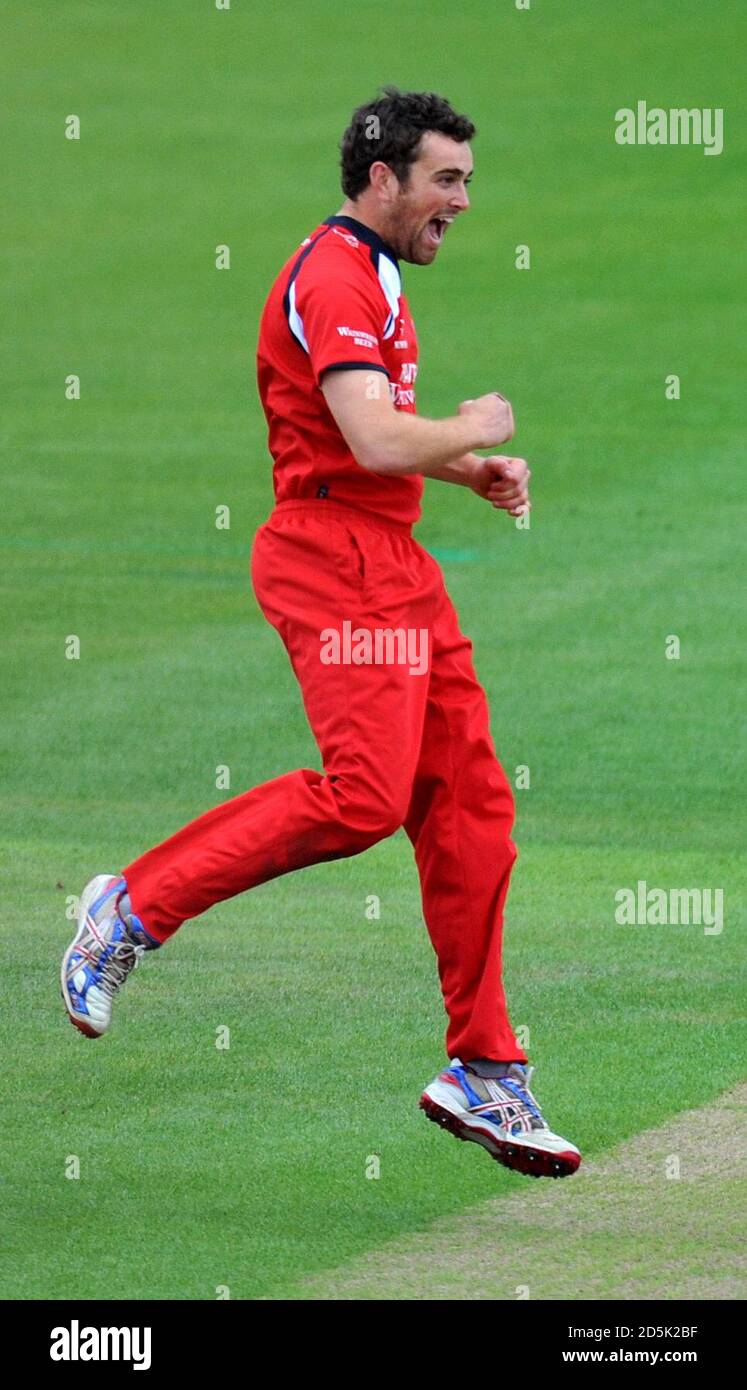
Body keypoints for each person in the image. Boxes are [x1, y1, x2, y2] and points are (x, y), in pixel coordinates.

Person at [61, 87, 580, 1180]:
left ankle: (485, 1065)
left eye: (468, 182)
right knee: (367, 797)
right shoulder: (337, 273)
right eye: (446, 180)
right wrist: (473, 426)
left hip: (390, 559)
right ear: (382, 179)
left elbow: (379, 438)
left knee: (472, 804)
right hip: (333, 560)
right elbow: (363, 435)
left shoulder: (378, 275)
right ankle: (130, 907)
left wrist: (462, 468)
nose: (463, 202)